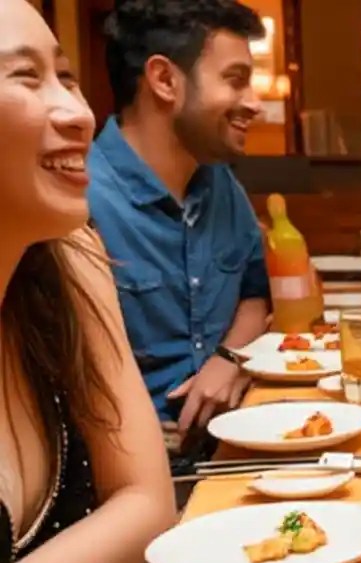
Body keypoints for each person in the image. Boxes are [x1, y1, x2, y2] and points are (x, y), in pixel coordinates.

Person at [0, 0, 175, 563]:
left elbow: (146, 502)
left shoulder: (70, 258)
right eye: (25, 77)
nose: (77, 112)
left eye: (65, 75)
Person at [88, 0, 270, 466]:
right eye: (235, 80)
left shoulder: (220, 181)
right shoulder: (80, 199)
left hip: (232, 449)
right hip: (132, 477)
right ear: (165, 80)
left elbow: (255, 295)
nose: (255, 103)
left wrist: (228, 359)